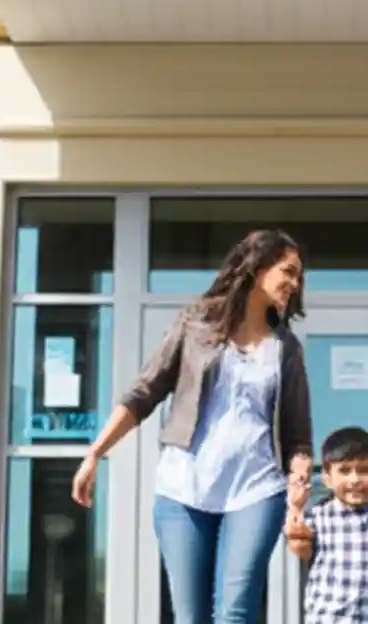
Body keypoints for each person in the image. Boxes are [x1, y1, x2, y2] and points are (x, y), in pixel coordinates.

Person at [70, 229, 315, 624]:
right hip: (183, 488)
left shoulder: (285, 348)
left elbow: (297, 434)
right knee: (190, 618)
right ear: (257, 267)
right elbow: (143, 393)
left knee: (235, 613)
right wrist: (95, 453)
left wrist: (298, 479)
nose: (295, 283)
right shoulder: (196, 324)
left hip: (256, 488)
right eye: (288, 271)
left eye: (299, 276)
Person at [284, 426, 368, 624]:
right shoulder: (320, 517)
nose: (355, 479)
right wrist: (295, 508)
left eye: (364, 470)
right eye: (344, 471)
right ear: (327, 478)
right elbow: (300, 548)